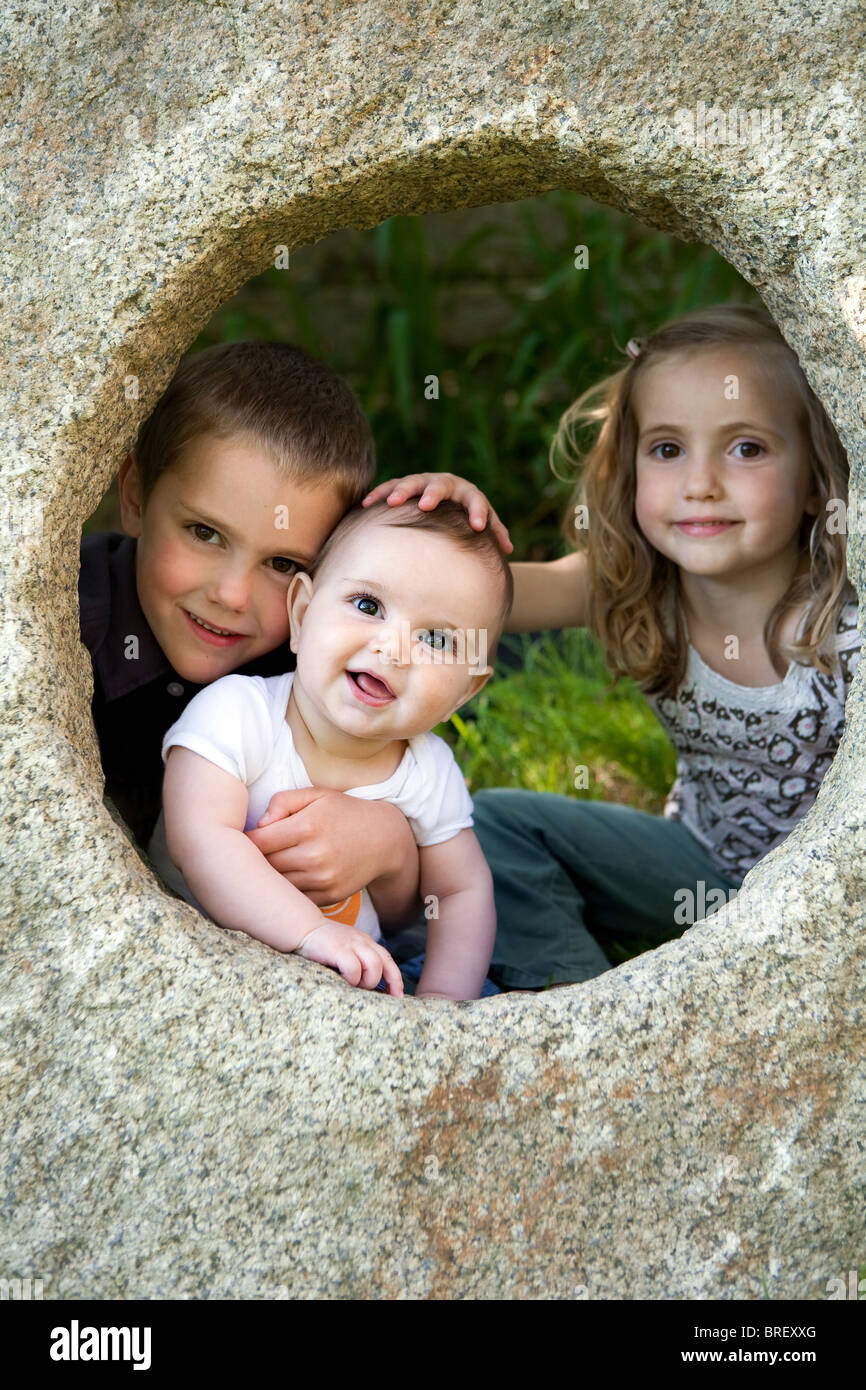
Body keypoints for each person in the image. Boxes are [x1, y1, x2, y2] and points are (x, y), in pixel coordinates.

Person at [362, 304, 861, 989]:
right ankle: (577, 1004)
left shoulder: (846, 619)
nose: (699, 484)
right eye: (666, 449)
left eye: (747, 448)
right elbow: (475, 594)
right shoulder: (633, 584)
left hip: (840, 899)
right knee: (499, 827)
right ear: (631, 473)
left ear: (814, 480)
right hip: (705, 868)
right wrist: (445, 520)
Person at [79, 340, 422, 931]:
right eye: (204, 532)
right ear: (134, 497)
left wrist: (390, 843)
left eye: (283, 564)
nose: (232, 596)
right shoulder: (63, 621)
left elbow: (410, 909)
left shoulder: (315, 662)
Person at [155, 499, 513, 999]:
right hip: (196, 963)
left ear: (465, 692)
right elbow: (200, 839)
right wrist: (311, 932)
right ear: (302, 614)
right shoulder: (238, 714)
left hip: (347, 992)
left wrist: (441, 1010)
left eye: (434, 638)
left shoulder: (428, 769)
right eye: (368, 606)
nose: (392, 648)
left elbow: (460, 892)